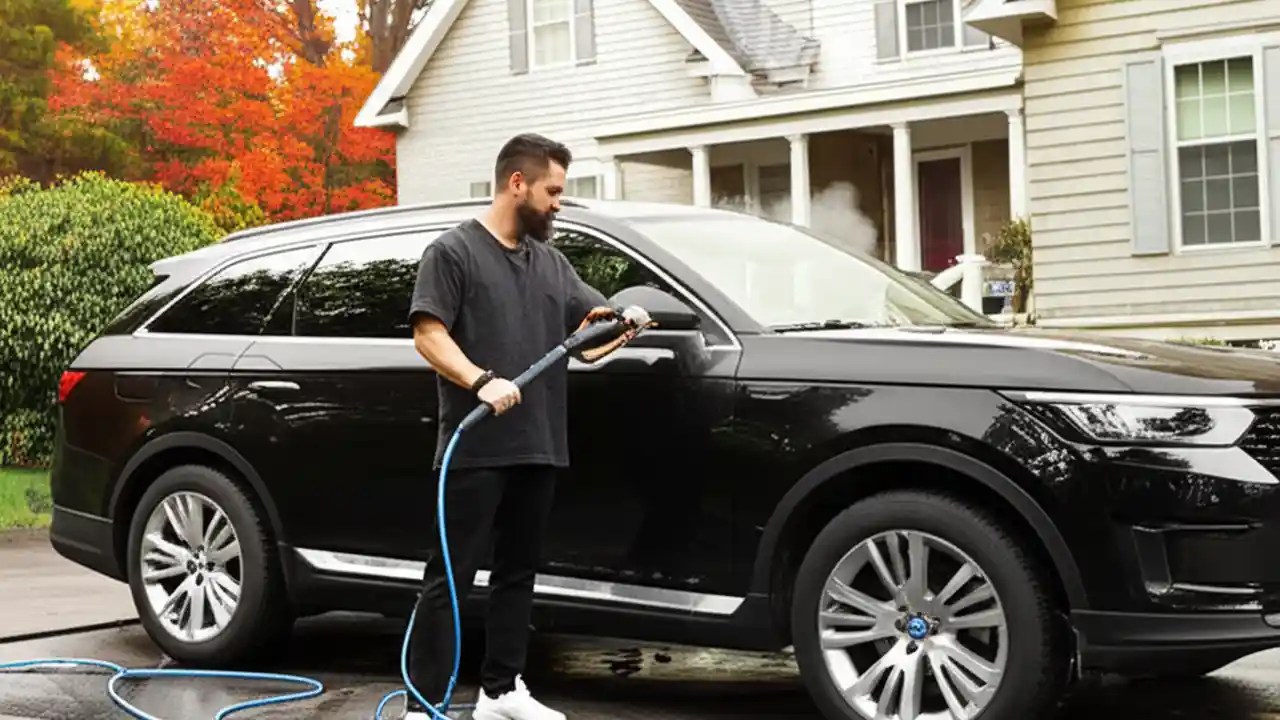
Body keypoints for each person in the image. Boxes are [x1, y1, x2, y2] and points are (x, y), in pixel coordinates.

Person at [401, 133, 635, 720]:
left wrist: (623, 327)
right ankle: (420, 705)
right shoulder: (453, 253)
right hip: (477, 444)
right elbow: (429, 334)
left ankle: (501, 692)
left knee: (518, 574)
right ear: (517, 184)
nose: (558, 202)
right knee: (450, 579)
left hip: (538, 444)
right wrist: (482, 381)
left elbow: (584, 345)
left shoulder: (550, 263)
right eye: (552, 191)